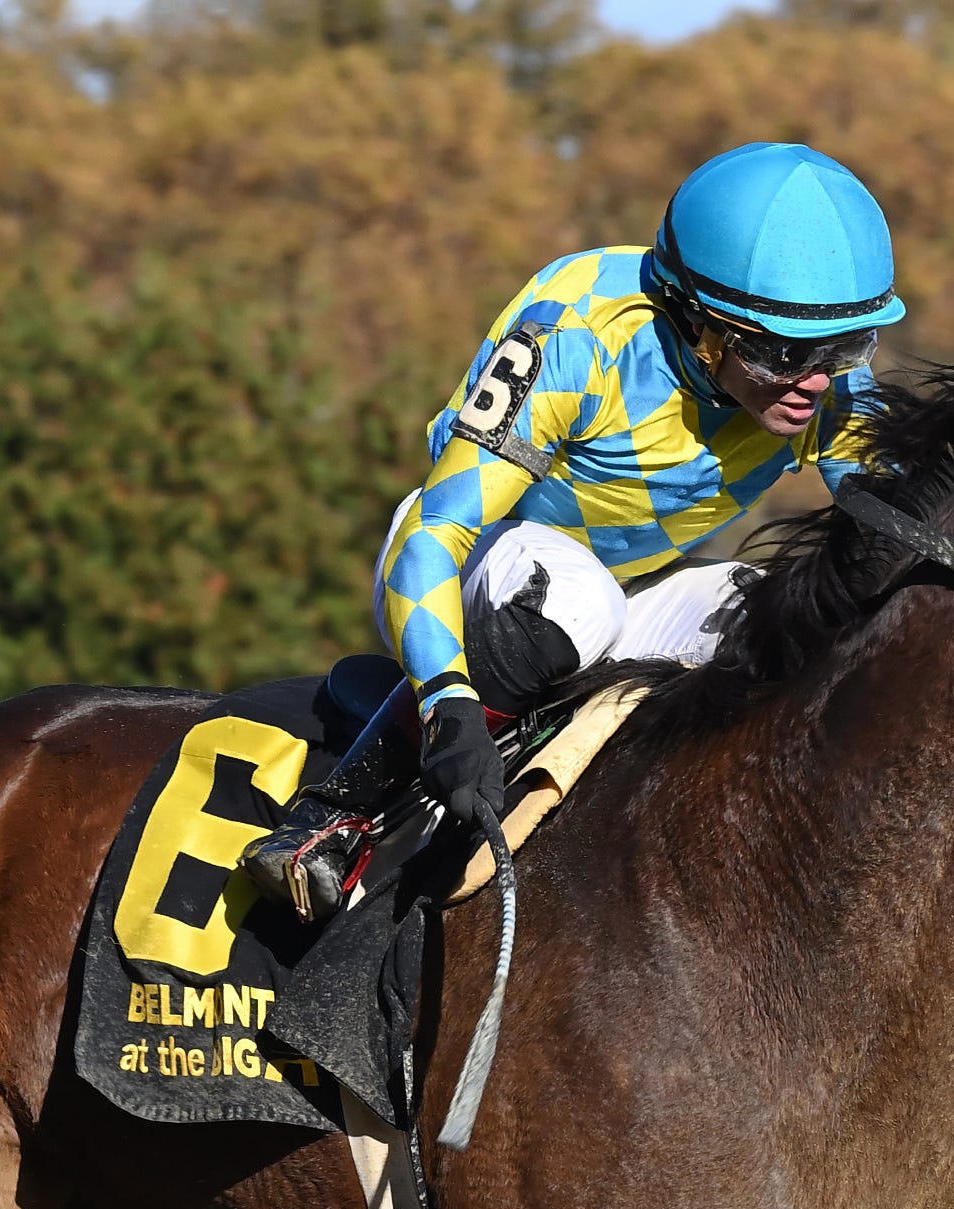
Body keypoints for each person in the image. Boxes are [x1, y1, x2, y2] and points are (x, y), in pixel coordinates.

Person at [245, 141, 904, 921]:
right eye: (783, 355)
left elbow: (895, 530)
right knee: (578, 599)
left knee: (771, 609)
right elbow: (435, 533)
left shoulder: (820, 372)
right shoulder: (574, 336)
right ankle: (332, 818)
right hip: (471, 555)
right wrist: (447, 703)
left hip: (633, 587)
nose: (820, 381)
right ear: (697, 320)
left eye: (845, 348)